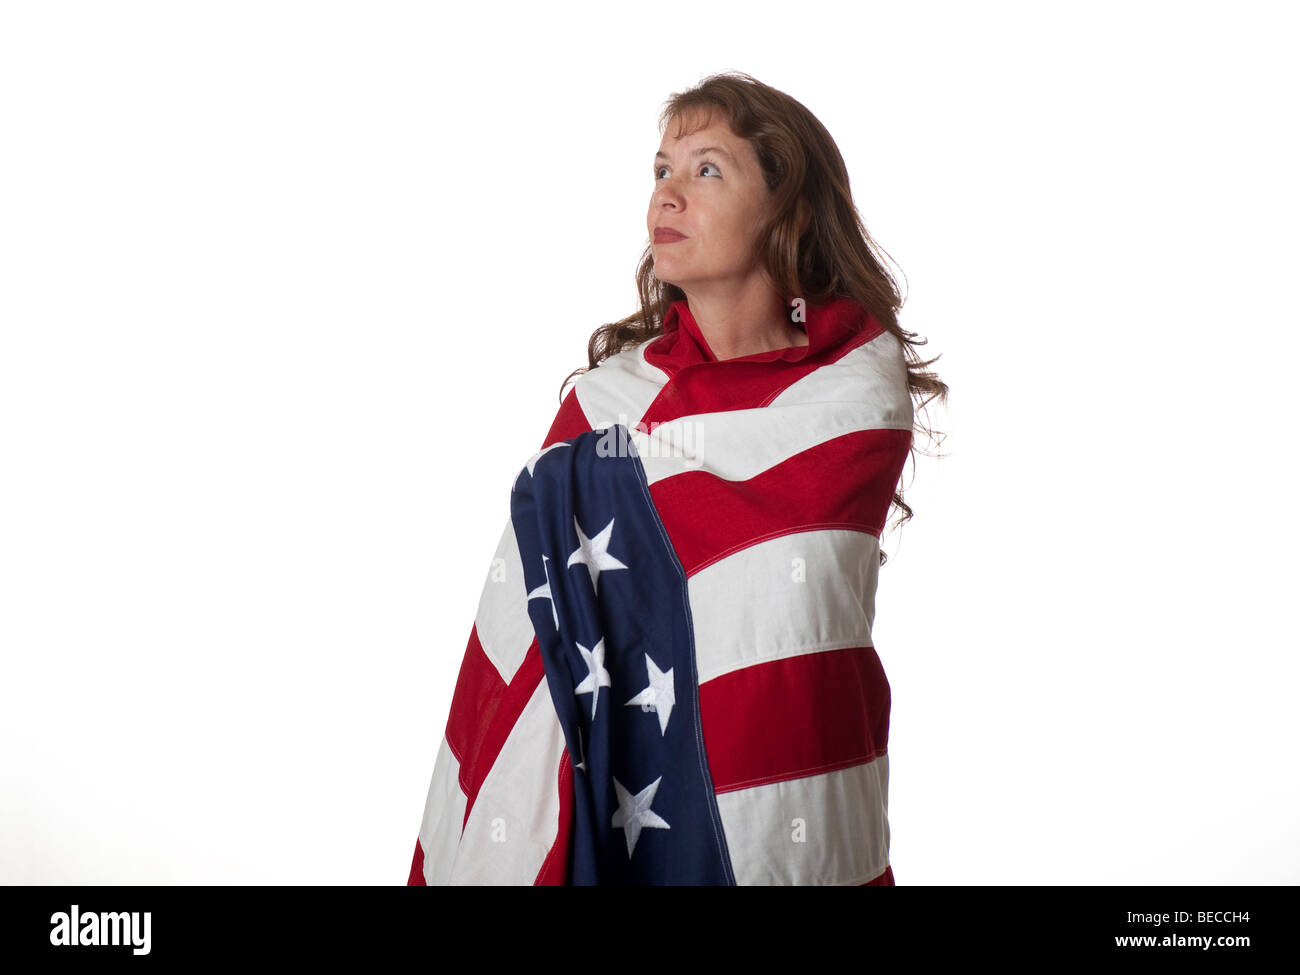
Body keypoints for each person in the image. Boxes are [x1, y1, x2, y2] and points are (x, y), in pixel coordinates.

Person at [408, 71, 947, 885]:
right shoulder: (607, 406)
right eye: (661, 169)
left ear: (788, 213)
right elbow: (535, 624)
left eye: (707, 169)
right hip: (643, 819)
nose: (668, 192)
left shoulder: (853, 395)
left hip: (805, 818)